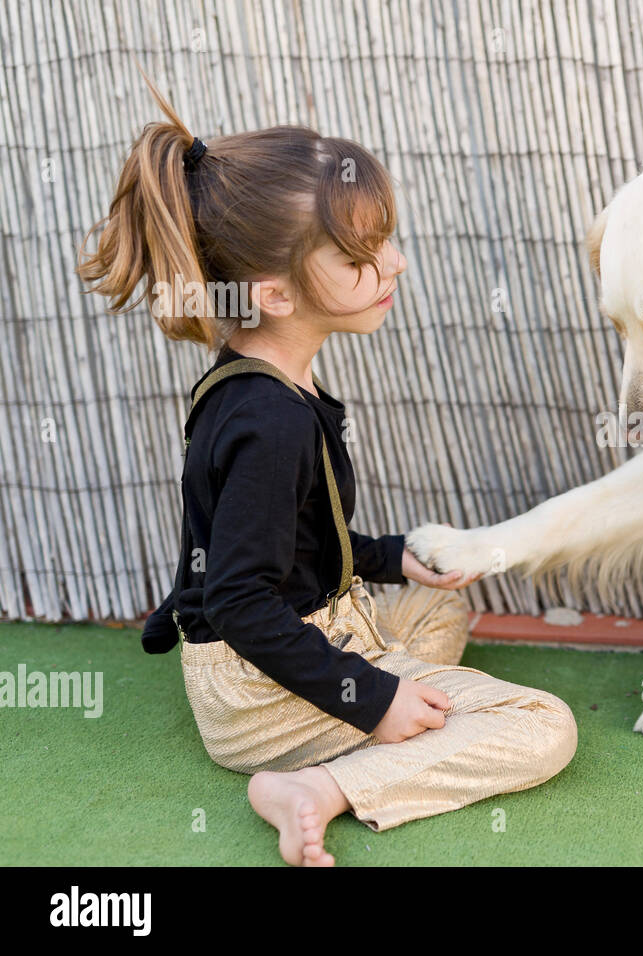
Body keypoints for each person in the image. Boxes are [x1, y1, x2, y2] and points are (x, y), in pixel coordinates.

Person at [76, 76, 578, 866]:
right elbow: (238, 597)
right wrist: (369, 697)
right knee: (544, 726)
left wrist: (387, 555)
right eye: (362, 254)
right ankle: (316, 786)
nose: (397, 264)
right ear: (274, 292)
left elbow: (287, 540)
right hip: (256, 689)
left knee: (439, 610)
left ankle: (353, 723)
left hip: (302, 636)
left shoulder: (268, 380)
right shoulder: (269, 420)